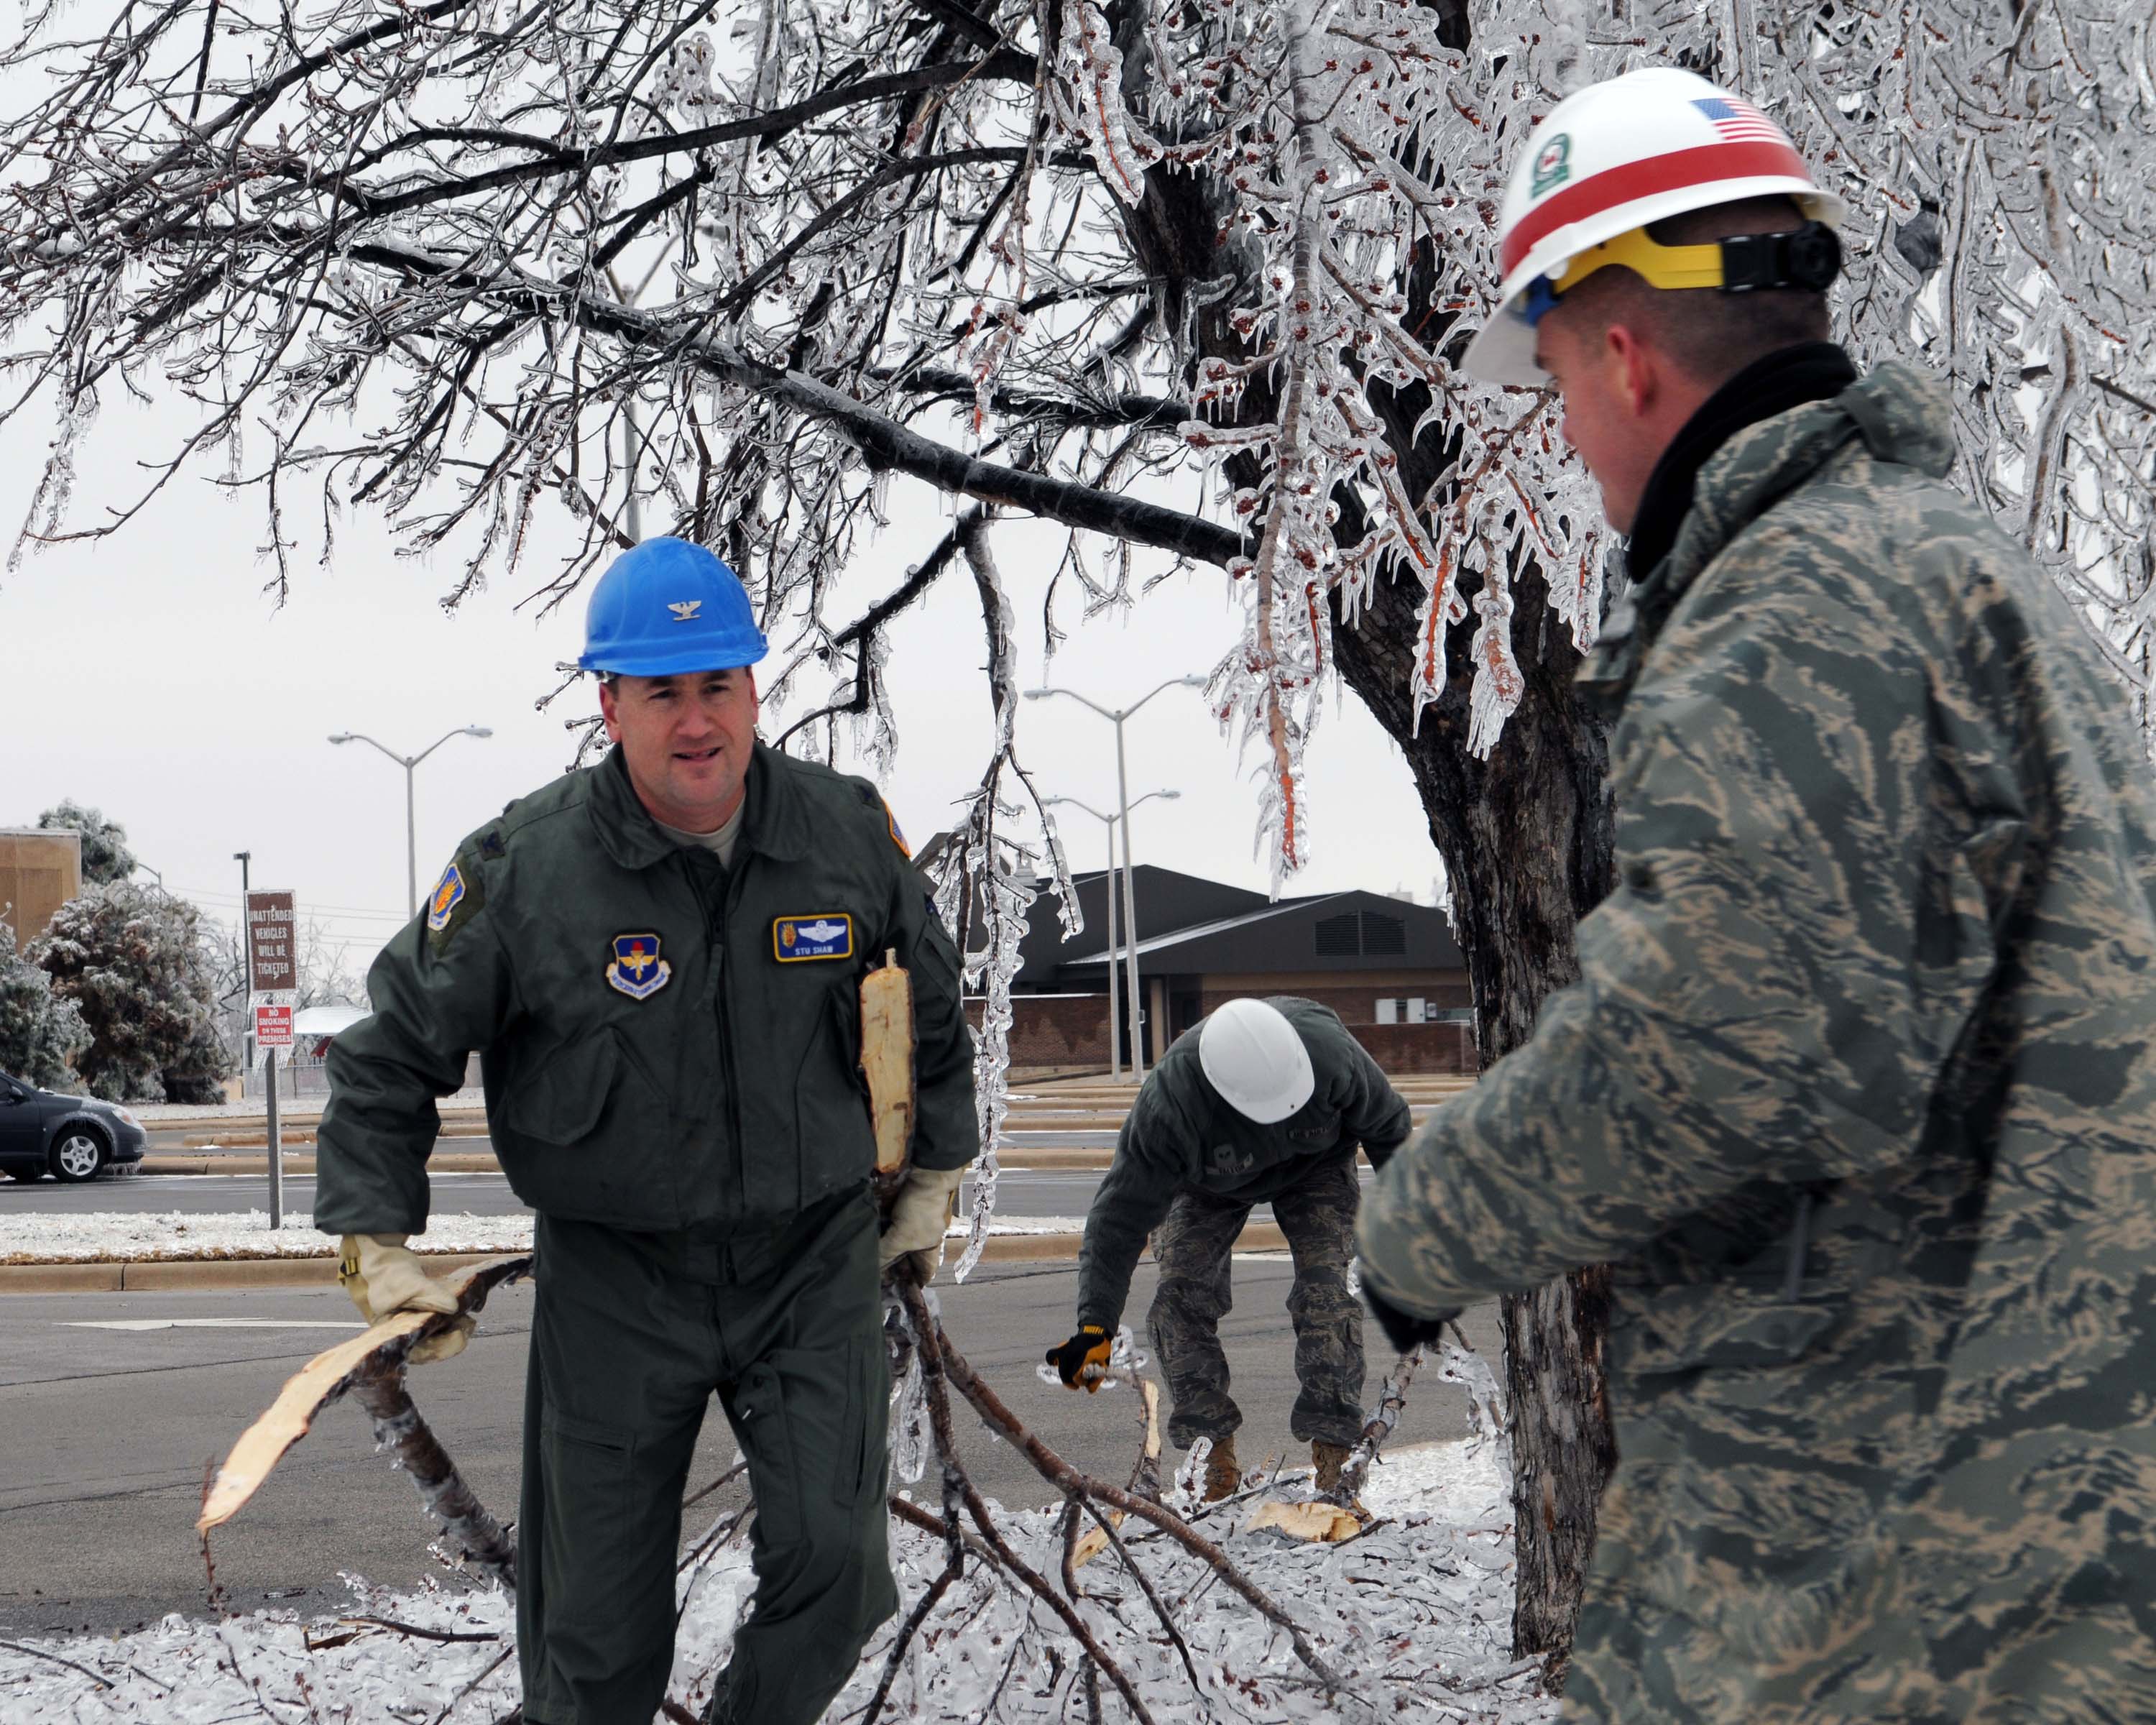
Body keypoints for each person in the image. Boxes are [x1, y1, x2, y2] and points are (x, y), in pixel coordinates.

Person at [1358, 65, 2156, 1724]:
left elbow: (1711, 1046)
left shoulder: (1792, 615)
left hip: (1872, 1574)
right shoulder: (1970, 575)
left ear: (1622, 355)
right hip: (2038, 1517)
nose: (1570, 447)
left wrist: (1427, 1219)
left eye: (1562, 385)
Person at [314, 536, 978, 1725]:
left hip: (807, 1262)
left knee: (838, 1572)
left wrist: (935, 1162)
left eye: (717, 684)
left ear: (754, 690)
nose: (696, 720)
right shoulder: (528, 868)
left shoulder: (841, 835)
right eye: (661, 690)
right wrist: (375, 1232)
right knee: (593, 1641)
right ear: (608, 702)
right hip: (615, 1280)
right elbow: (391, 1048)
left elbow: (926, 1004)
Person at [1047, 997, 1411, 1499]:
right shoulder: (1171, 1103)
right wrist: (1094, 1326)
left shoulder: (1332, 1054)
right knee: (1178, 1302)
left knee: (1326, 1291)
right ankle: (1211, 1460)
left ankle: (1334, 1461)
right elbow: (1118, 1219)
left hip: (1319, 1166)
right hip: (1207, 1187)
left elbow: (1391, 1132)